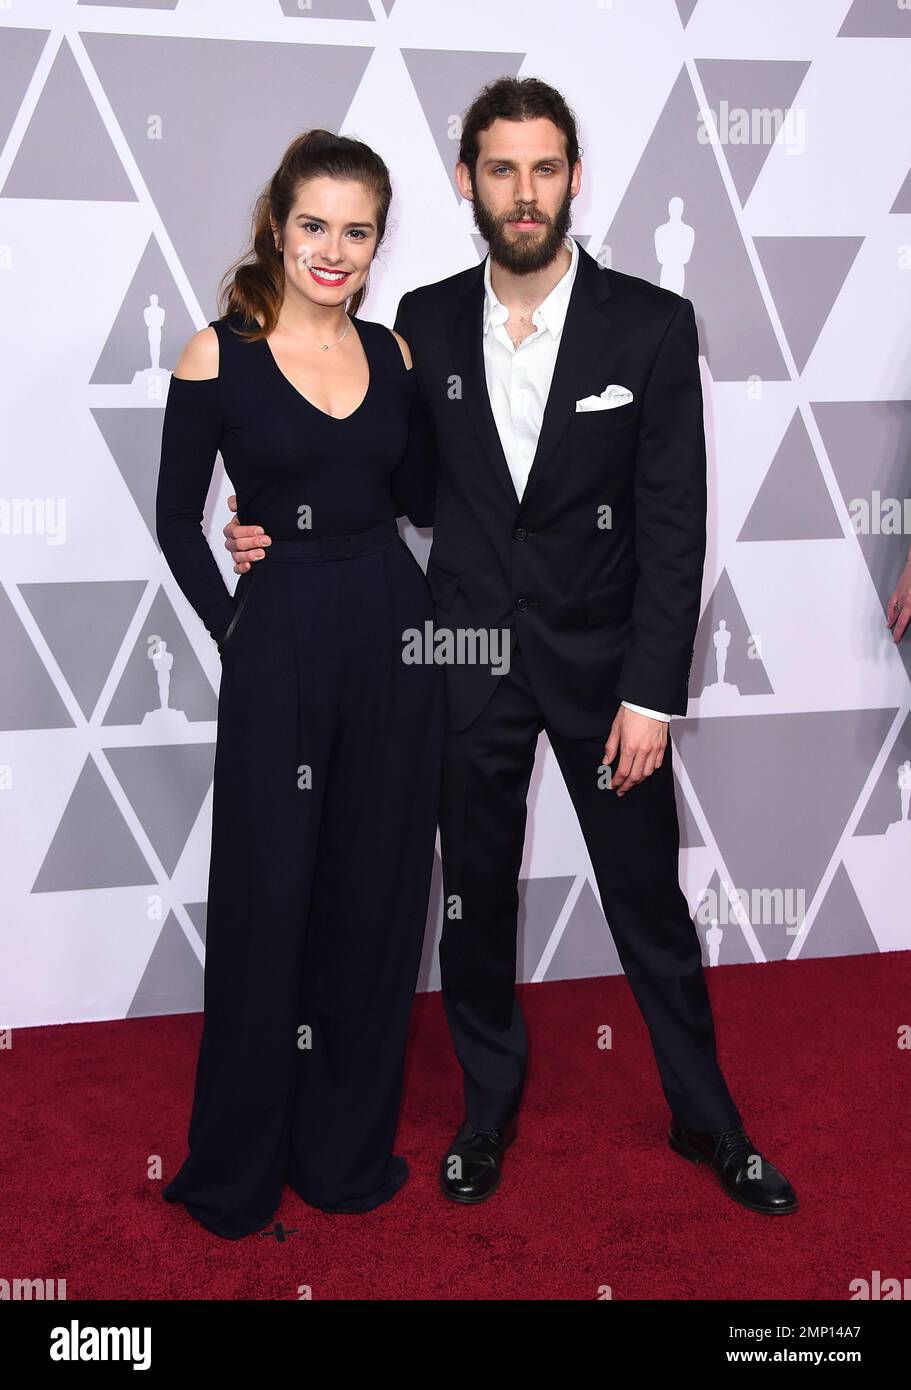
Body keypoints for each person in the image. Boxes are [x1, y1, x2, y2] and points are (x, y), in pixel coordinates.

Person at [225, 80, 798, 1217]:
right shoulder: (421, 327)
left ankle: (708, 1118)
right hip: (464, 656)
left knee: (646, 903)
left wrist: (652, 693)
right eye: (499, 169)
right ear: (466, 183)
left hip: (605, 673)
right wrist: (274, 523)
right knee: (472, 901)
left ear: (573, 178)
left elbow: (672, 521)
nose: (522, 192)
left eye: (543, 169)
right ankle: (487, 1113)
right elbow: (387, 482)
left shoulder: (648, 323)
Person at [155, 129, 443, 1239]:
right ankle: (237, 1164)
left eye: (355, 231)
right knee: (269, 897)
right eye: (313, 225)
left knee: (374, 899)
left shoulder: (397, 356)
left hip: (391, 630)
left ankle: (342, 1154)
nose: (332, 249)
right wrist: (240, 622)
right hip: (280, 643)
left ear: (377, 243)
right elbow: (179, 520)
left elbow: (415, 496)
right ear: (279, 225)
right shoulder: (213, 354)